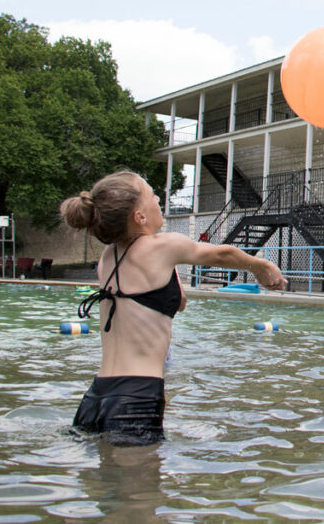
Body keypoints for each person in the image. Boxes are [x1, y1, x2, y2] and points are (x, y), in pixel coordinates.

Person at [61, 171, 286, 446]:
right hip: (137, 397)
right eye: (151, 194)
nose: (158, 198)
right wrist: (261, 266)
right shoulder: (162, 246)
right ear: (139, 217)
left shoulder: (108, 258)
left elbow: (175, 301)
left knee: (102, 484)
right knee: (142, 488)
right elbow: (222, 253)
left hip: (96, 397)